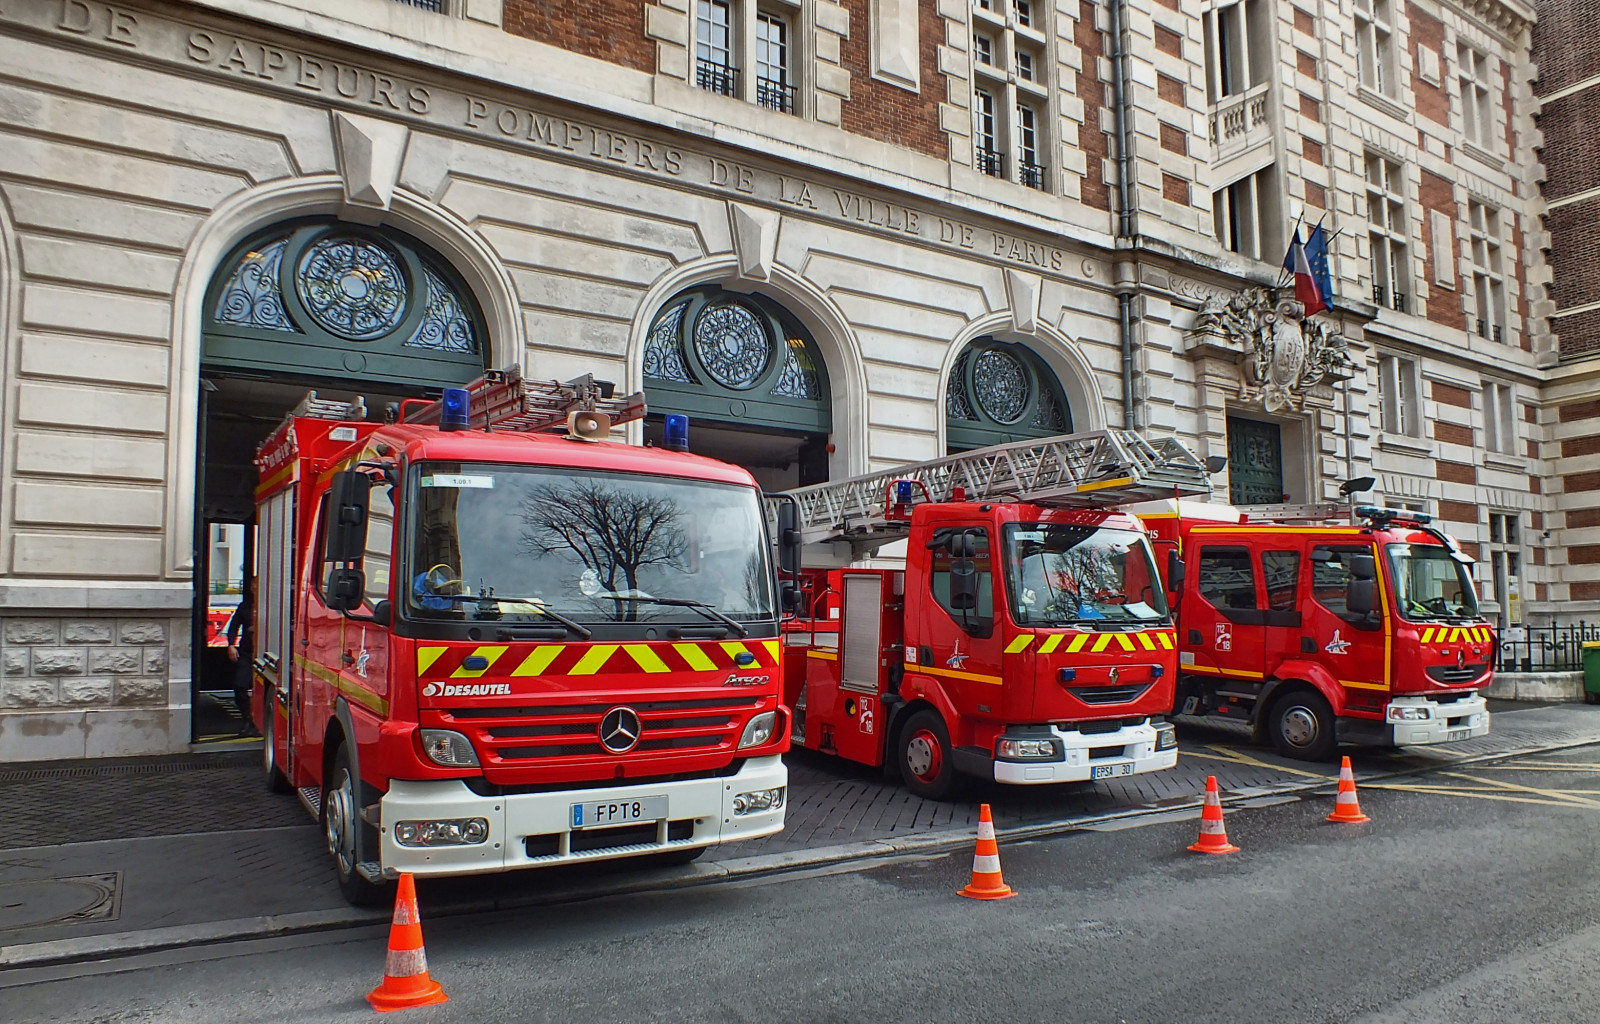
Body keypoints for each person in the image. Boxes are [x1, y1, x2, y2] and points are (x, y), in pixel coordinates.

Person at [225, 579, 257, 738]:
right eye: (253, 585)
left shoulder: (273, 606)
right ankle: (247, 719)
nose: (255, 588)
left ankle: (259, 720)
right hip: (246, 653)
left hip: (266, 655)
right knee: (240, 687)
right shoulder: (245, 607)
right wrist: (231, 645)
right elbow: (233, 627)